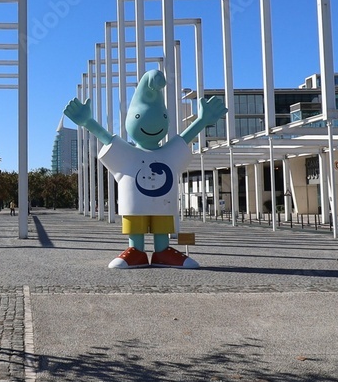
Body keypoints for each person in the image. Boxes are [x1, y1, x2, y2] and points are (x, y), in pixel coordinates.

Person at [64, 69, 227, 268]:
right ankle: (136, 250)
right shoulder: (128, 153)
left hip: (164, 203)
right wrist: (87, 122)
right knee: (136, 219)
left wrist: (202, 121)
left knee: (162, 221)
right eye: (139, 115)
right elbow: (107, 139)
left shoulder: (167, 152)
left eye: (162, 116)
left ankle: (162, 251)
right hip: (135, 204)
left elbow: (184, 139)